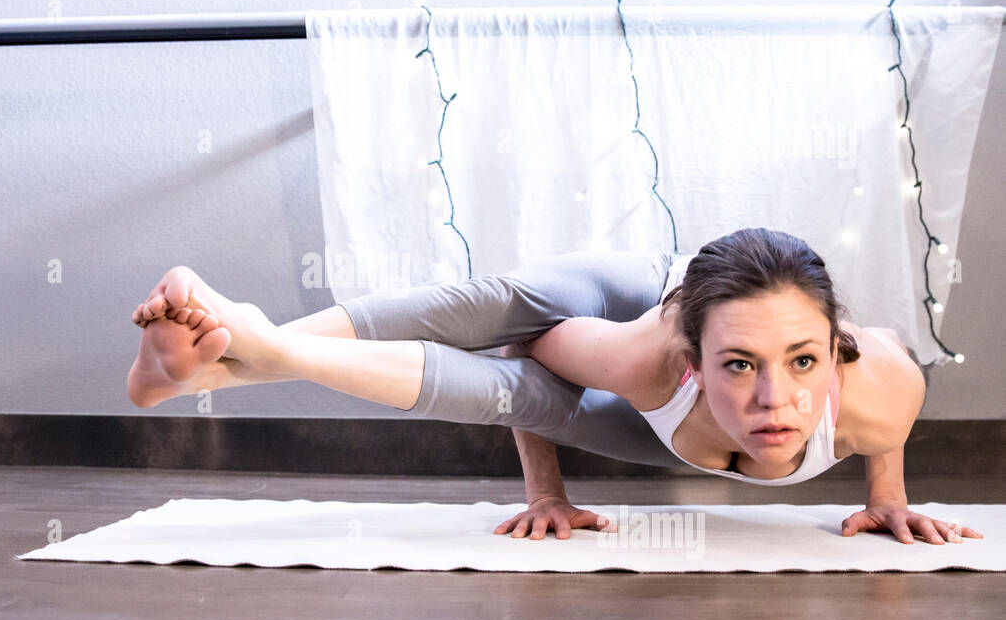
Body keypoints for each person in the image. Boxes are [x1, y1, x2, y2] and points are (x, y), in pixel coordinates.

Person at [127, 227, 980, 547]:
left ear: (835, 357)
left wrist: (888, 495)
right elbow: (522, 346)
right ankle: (261, 351)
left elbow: (882, 430)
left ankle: (234, 352)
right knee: (507, 308)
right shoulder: (645, 357)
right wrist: (547, 492)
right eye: (738, 367)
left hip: (712, 323)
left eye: (801, 364)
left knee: (522, 366)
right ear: (692, 364)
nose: (775, 404)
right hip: (627, 299)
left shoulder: (883, 389)